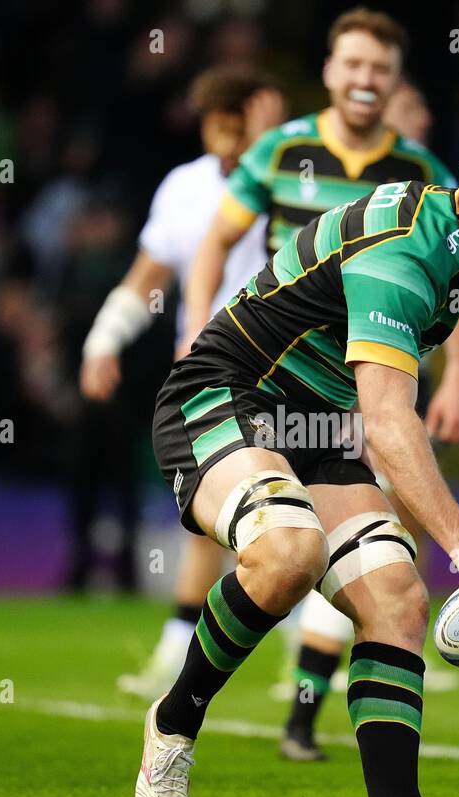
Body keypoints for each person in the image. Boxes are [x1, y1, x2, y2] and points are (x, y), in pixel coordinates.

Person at [139, 135, 459, 797]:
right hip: (225, 396)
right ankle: (174, 721)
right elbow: (385, 425)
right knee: (287, 551)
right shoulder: (407, 252)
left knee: (397, 596)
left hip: (316, 427)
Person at [177, 7, 459, 762]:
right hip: (267, 373)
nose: (364, 80)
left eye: (379, 68)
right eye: (352, 64)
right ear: (328, 69)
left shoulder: (420, 169)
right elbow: (216, 239)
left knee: (383, 562)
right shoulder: (282, 149)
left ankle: (319, 728)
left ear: (394, 79)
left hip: (360, 388)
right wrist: (196, 326)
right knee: (293, 549)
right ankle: (204, 708)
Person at [79, 65, 286, 698]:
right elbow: (150, 274)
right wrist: (103, 339)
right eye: (222, 122)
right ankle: (190, 654)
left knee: (295, 505)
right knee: (219, 509)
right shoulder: (184, 187)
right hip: (212, 369)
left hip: (294, 364)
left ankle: (310, 661)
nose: (231, 139)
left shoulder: (293, 177)